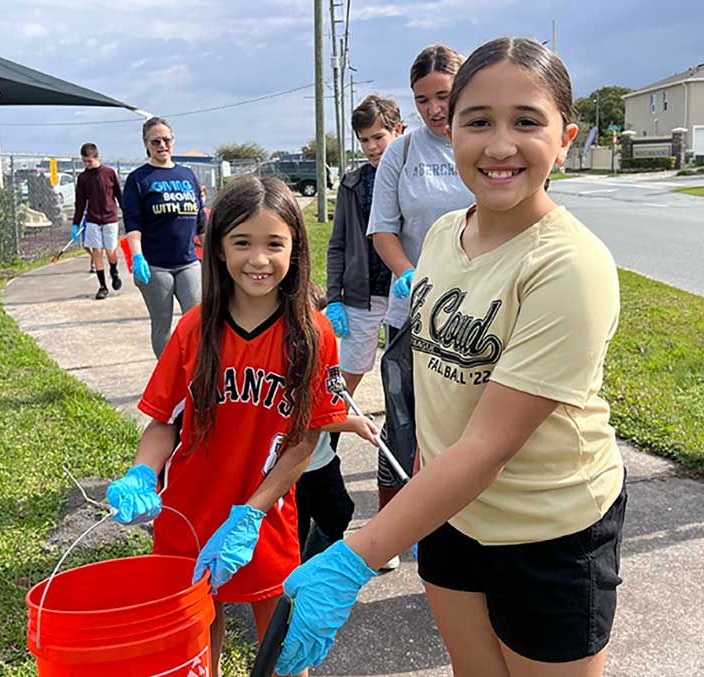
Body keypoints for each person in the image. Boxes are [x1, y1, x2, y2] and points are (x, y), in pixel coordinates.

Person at [276, 37, 626, 677]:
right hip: (447, 509)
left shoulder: (569, 264)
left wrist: (358, 554)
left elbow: (489, 444)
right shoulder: (441, 235)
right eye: (478, 121)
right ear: (448, 131)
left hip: (546, 529)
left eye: (526, 121)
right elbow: (438, 385)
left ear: (566, 137)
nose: (498, 145)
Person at [105, 175, 347, 677]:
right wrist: (141, 474)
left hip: (263, 518)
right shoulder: (194, 329)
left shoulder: (313, 333)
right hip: (187, 517)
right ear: (216, 249)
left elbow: (305, 440)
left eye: (273, 244)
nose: (258, 260)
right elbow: (162, 423)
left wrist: (252, 514)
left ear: (295, 249)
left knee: (282, 646)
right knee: (195, 645)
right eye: (242, 242)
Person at [366, 45, 474, 559]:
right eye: (422, 99)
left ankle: (463, 530)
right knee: (404, 422)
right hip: (412, 312)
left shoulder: (483, 143)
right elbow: (383, 229)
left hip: (478, 314)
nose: (434, 109)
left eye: (444, 96)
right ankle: (391, 532)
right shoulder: (401, 153)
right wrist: (408, 274)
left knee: (469, 425)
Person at [325, 95, 404, 400]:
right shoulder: (352, 183)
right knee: (345, 379)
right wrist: (334, 298)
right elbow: (338, 244)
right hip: (363, 294)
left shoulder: (412, 178)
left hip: (406, 290)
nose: (371, 147)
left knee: (405, 380)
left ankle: (401, 443)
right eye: (364, 140)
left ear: (397, 130)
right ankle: (323, 445)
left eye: (378, 137)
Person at [297, 282, 380, 561]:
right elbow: (310, 416)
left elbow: (331, 398)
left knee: (339, 512)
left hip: (322, 460)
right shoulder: (287, 362)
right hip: (293, 470)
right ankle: (292, 583)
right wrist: (351, 423)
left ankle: (315, 564)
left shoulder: (322, 352)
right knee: (294, 530)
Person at [122, 117, 206, 358]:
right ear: (146, 144)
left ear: (173, 141)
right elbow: (133, 223)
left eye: (166, 139)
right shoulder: (139, 179)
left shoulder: (187, 175)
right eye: (155, 141)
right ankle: (166, 379)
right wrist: (137, 256)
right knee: (162, 324)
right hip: (155, 266)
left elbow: (201, 221)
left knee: (195, 321)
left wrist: (214, 255)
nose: (162, 145)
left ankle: (195, 373)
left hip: (188, 262)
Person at [72, 143, 123, 300]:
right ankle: (102, 286)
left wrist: (128, 214)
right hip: (93, 219)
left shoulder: (109, 173)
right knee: (97, 252)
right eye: (84, 162)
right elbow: (80, 202)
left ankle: (114, 271)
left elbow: (119, 196)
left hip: (110, 218)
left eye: (89, 161)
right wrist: (76, 222)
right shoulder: (83, 178)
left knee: (110, 251)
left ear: (97, 157)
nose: (87, 165)